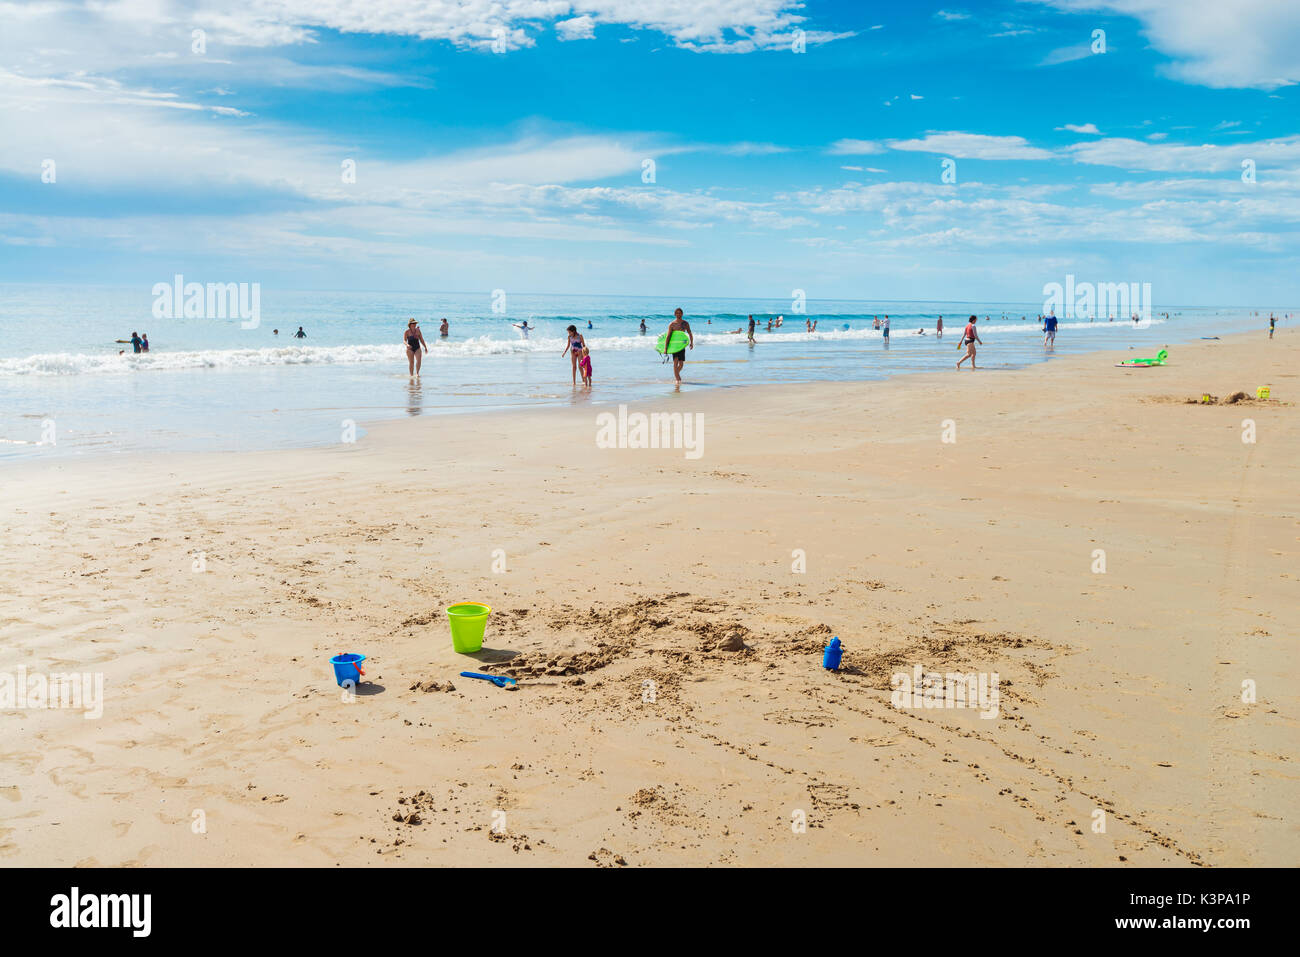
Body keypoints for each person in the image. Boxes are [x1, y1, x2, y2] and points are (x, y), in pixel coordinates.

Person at [665, 307, 693, 384]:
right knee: (675, 362)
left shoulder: (685, 323)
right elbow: (668, 336)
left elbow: (690, 333)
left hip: (681, 346)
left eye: (680, 313)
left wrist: (691, 343)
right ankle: (677, 378)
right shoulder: (672, 324)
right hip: (674, 346)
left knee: (681, 364)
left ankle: (676, 374)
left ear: (682, 314)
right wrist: (665, 348)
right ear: (674, 314)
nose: (678, 314)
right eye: (677, 313)